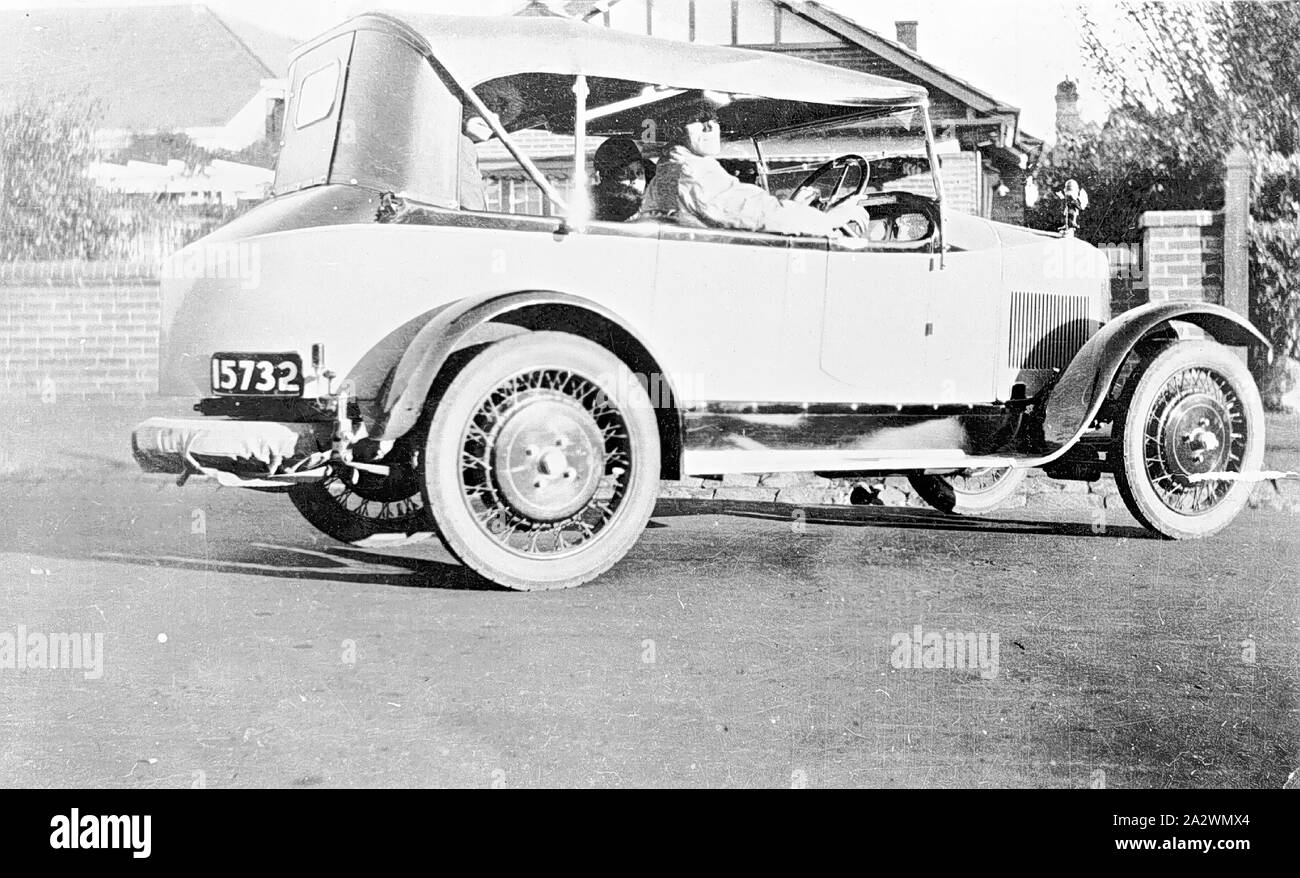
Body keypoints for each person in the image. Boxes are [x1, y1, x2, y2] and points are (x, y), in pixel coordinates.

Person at [640, 99, 869, 236]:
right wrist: (832, 219)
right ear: (674, 131)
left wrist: (793, 208)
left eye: (714, 120)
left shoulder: (671, 169)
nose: (711, 128)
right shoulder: (694, 173)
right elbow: (759, 213)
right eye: (698, 121)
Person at [591, 137, 653, 222]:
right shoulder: (591, 219)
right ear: (606, 180)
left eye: (639, 172)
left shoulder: (653, 219)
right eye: (623, 174)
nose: (634, 179)